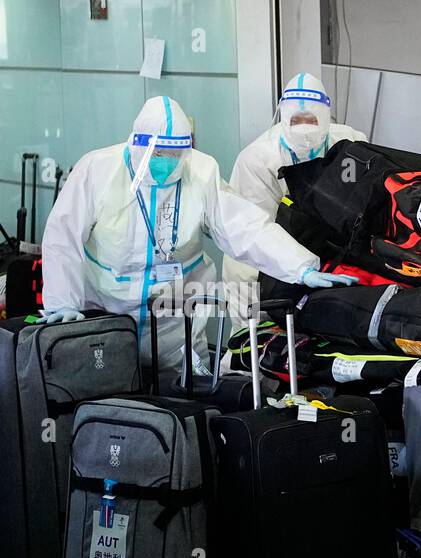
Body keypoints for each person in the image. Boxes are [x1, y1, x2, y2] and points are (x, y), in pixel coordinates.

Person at [40, 95, 355, 377]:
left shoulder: (201, 173)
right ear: (138, 144)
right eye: (160, 153)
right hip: (107, 321)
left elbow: (246, 228)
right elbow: (62, 238)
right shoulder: (98, 171)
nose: (169, 162)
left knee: (185, 411)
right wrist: (62, 304)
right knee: (114, 408)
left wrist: (301, 266)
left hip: (178, 325)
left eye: (176, 154)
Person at [229, 72, 367, 217]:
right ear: (284, 116)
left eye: (312, 121)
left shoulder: (351, 142)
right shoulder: (257, 161)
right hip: (281, 236)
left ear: (326, 117)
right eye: (295, 121)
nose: (304, 130)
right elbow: (253, 228)